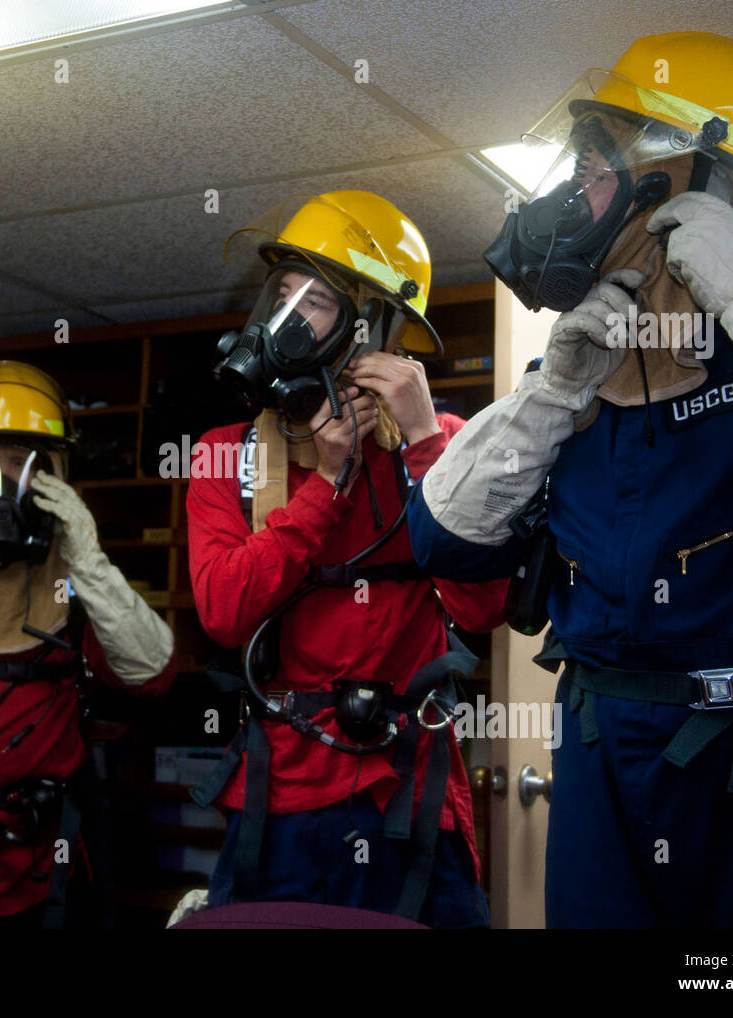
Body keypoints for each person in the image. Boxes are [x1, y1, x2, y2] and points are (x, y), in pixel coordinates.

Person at [410, 31, 733, 928]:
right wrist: (557, 392)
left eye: (597, 168)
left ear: (692, 180)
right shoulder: (581, 367)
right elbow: (442, 541)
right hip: (601, 759)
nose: (575, 194)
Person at [187, 190, 509, 927]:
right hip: (279, 806)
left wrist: (427, 441)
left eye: (318, 300)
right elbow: (224, 615)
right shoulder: (223, 456)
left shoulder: (437, 443)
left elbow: (484, 606)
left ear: (371, 332)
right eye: (282, 291)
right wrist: (327, 482)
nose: (287, 316)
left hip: (405, 795)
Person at [0, 361, 176, 927]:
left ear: (54, 477)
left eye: (20, 463)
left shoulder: (72, 586)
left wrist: (89, 560)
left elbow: (153, 674)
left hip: (44, 873)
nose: (0, 482)